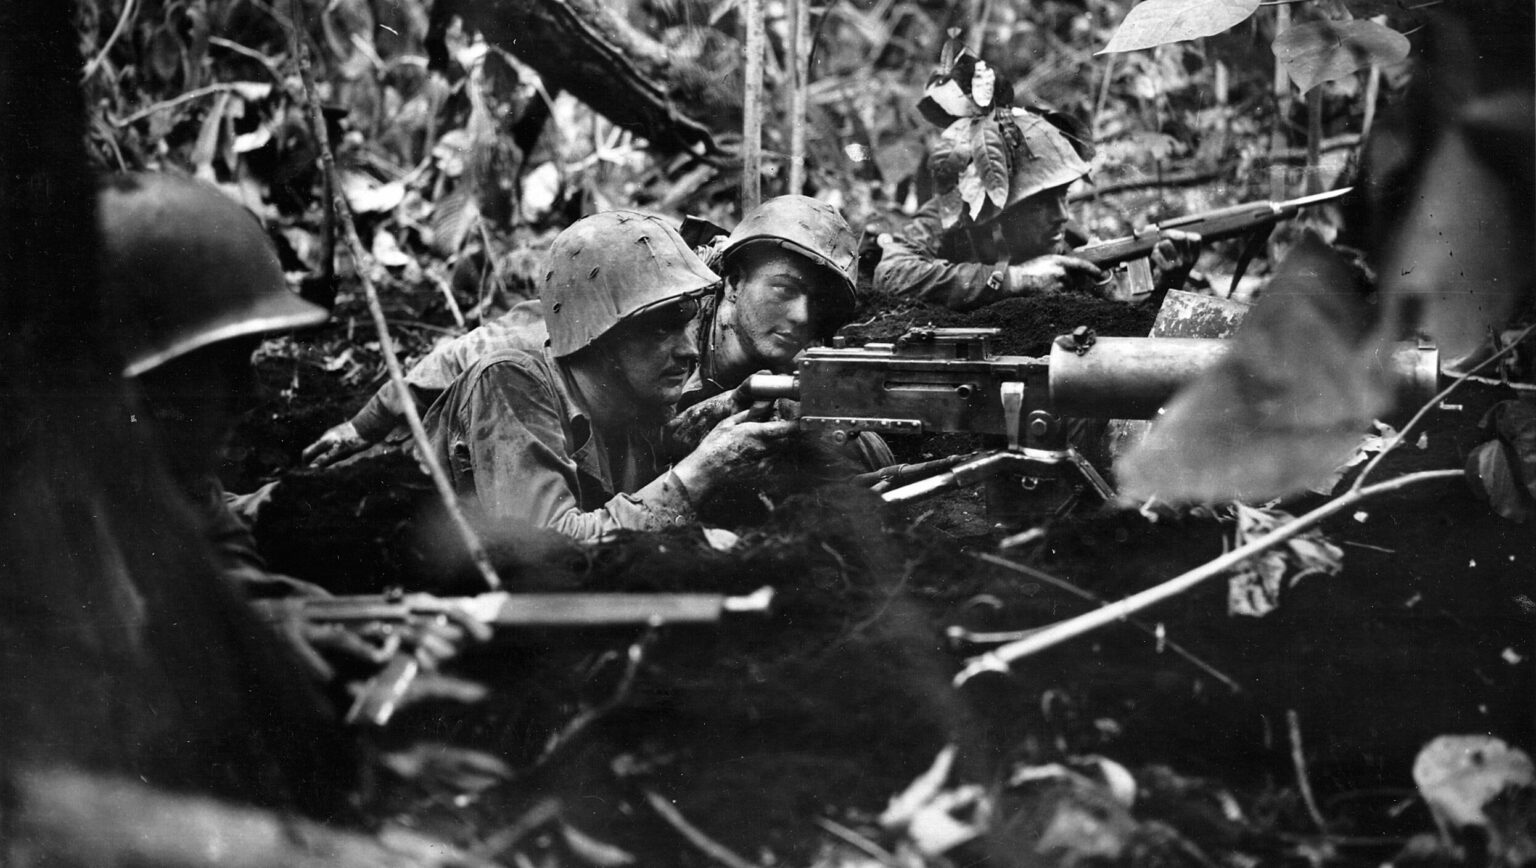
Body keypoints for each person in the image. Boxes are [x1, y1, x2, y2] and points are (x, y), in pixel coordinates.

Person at [100, 171, 483, 677]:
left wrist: (331, 615)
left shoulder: (164, 470)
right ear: (138, 377)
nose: (249, 395)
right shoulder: (39, 498)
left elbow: (227, 567)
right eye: (221, 368)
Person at [302, 195, 863, 468]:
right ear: (735, 282)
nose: (800, 316)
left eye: (819, 304)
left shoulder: (789, 369)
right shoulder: (643, 308)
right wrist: (361, 427)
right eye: (784, 290)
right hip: (465, 446)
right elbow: (479, 356)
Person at [421, 210, 799, 541]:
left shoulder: (629, 400)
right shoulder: (510, 383)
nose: (690, 350)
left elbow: (656, 451)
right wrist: (702, 470)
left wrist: (727, 409)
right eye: (661, 328)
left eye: (688, 324)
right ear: (599, 334)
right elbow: (545, 550)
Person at [874, 107, 1200, 312]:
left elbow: (1127, 308)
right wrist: (1015, 280)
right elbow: (892, 275)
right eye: (1043, 202)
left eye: (1064, 195)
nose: (1063, 214)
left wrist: (1164, 281)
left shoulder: (1069, 239)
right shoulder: (952, 216)